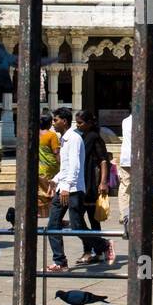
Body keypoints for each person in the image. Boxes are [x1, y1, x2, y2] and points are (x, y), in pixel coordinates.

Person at [45, 107, 83, 273]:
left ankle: (102, 244)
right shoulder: (64, 139)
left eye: (55, 120)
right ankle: (60, 261)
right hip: (64, 187)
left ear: (64, 121)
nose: (53, 123)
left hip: (72, 189)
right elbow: (66, 166)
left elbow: (74, 165)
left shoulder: (73, 139)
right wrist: (55, 180)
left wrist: (66, 187)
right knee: (53, 224)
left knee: (76, 226)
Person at [74, 110, 113, 265]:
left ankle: (96, 250)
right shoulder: (79, 137)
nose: (78, 126)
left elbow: (103, 160)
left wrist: (103, 182)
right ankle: (94, 247)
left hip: (90, 182)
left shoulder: (95, 137)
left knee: (93, 217)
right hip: (80, 181)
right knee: (79, 219)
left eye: (80, 123)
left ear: (89, 123)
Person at [116, 112, 153, 233]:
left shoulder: (125, 121)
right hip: (139, 157)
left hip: (126, 158)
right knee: (145, 184)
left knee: (125, 186)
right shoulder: (142, 122)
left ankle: (124, 214)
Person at [37, 111, 61, 214]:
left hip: (40, 168)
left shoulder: (35, 134)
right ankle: (54, 216)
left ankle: (41, 213)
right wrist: (61, 165)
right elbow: (56, 152)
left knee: (41, 192)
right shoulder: (52, 135)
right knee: (53, 192)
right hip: (52, 168)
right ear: (50, 123)